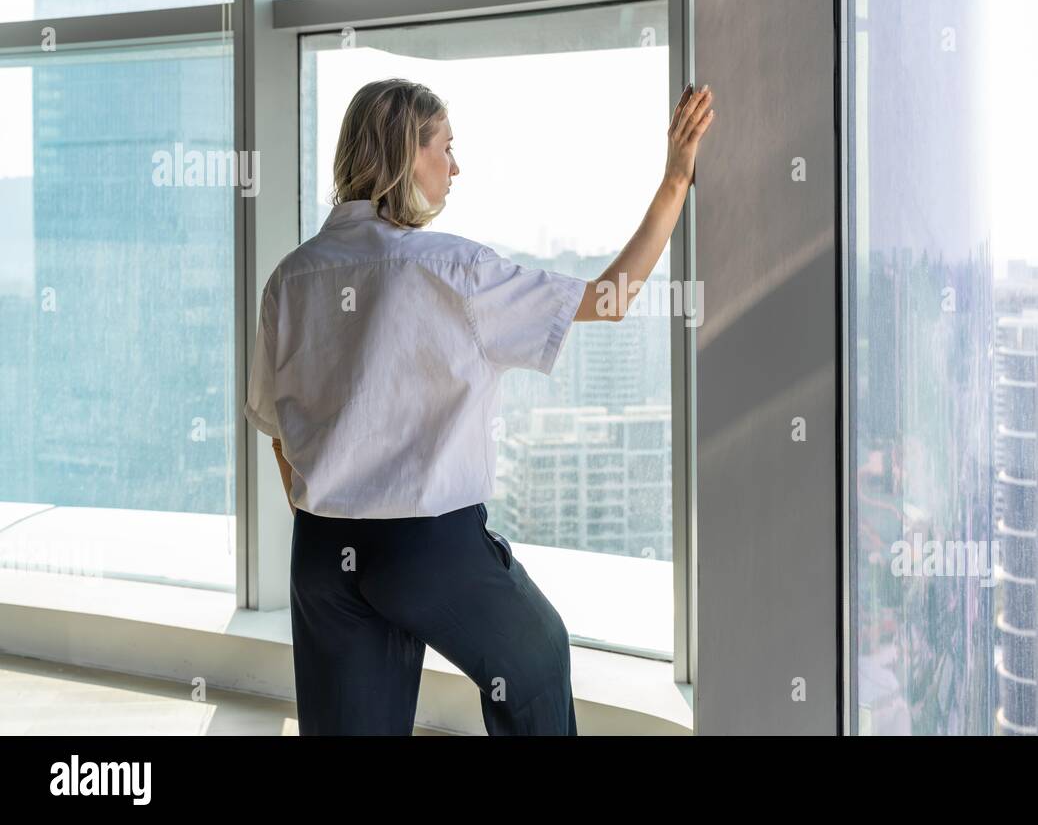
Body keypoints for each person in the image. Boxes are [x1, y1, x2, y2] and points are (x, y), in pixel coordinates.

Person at [244, 77, 715, 735]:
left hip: (323, 553)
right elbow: (612, 299)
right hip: (428, 548)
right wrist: (674, 182)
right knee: (538, 657)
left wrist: (330, 513)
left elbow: (274, 427)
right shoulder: (453, 269)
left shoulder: (291, 277)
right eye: (445, 147)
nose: (456, 166)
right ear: (406, 153)